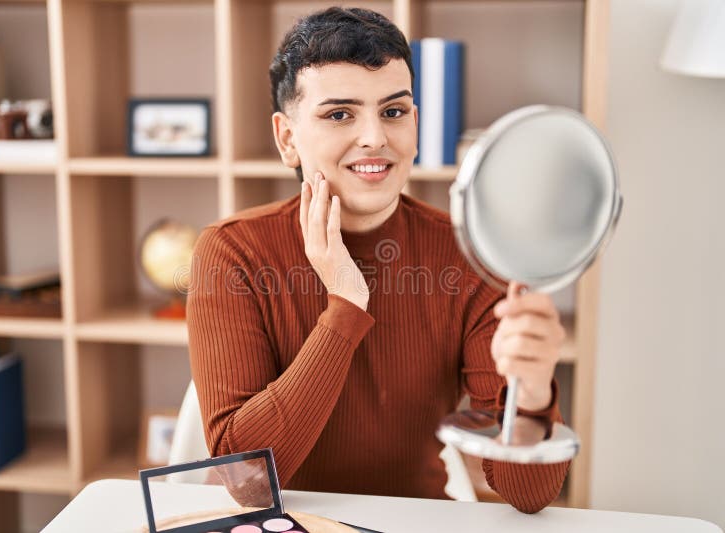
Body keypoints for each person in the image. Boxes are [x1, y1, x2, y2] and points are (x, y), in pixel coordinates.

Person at [186, 6, 570, 514]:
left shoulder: (471, 258)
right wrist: (345, 305)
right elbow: (247, 480)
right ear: (287, 139)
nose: (375, 138)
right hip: (281, 524)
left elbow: (531, 494)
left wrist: (537, 392)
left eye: (393, 111)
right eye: (340, 114)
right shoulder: (232, 253)